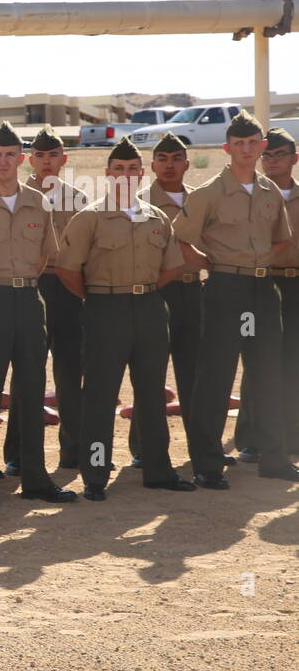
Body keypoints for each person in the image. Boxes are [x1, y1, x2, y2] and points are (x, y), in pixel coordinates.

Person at [54, 137, 198, 500]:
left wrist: (141, 291)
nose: (126, 175)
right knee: (101, 396)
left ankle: (158, 470)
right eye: (118, 169)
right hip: (105, 310)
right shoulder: (88, 218)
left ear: (141, 173)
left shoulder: (157, 217)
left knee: (152, 394)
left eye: (132, 169)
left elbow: (170, 269)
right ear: (107, 174)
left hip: (149, 309)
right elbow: (68, 270)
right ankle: (95, 475)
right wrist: (100, 297)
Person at [0, 121, 78, 510]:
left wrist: (21, 286)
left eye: (11, 155)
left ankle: (36, 479)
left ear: (21, 159)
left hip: (28, 300)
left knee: (31, 392)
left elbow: (44, 256)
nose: (4, 161)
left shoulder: (38, 203)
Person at [176, 109, 298, 487]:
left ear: (261, 146)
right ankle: (208, 464)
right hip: (225, 289)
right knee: (216, 375)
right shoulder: (209, 193)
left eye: (252, 143)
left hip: (262, 290)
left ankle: (273, 458)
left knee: (267, 371)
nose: (246, 150)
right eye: (239, 144)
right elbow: (182, 238)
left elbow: (281, 239)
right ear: (228, 148)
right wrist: (212, 266)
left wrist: (256, 266)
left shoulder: (269, 193)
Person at [128, 133, 228, 468]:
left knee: (194, 374)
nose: (169, 166)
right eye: (162, 159)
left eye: (176, 159)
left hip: (191, 292)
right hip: (156, 291)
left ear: (187, 163)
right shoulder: (140, 203)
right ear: (153, 165)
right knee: (150, 372)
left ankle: (202, 447)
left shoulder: (199, 200)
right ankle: (144, 448)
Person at [4, 125, 90, 473]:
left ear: (63, 159)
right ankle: (18, 455)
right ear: (30, 160)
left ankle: (74, 451)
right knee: (26, 373)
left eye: (53, 155)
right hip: (30, 289)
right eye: (39, 155)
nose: (46, 161)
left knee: (70, 373)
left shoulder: (80, 200)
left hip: (67, 289)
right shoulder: (17, 197)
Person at [234, 127, 299, 460]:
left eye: (281, 154)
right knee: (258, 358)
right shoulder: (250, 196)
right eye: (268, 155)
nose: (273, 161)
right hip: (259, 283)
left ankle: (290, 437)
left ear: (295, 158)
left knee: (293, 359)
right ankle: (251, 438)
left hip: (296, 286)